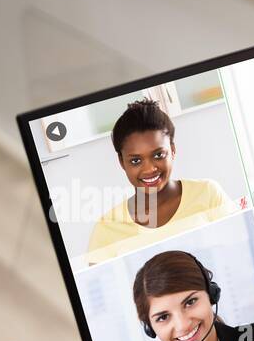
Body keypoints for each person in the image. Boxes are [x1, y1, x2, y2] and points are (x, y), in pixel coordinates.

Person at [87, 99, 233, 266]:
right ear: (122, 162)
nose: (149, 169)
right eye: (135, 161)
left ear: (173, 150)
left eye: (158, 155)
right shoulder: (107, 227)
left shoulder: (207, 193)